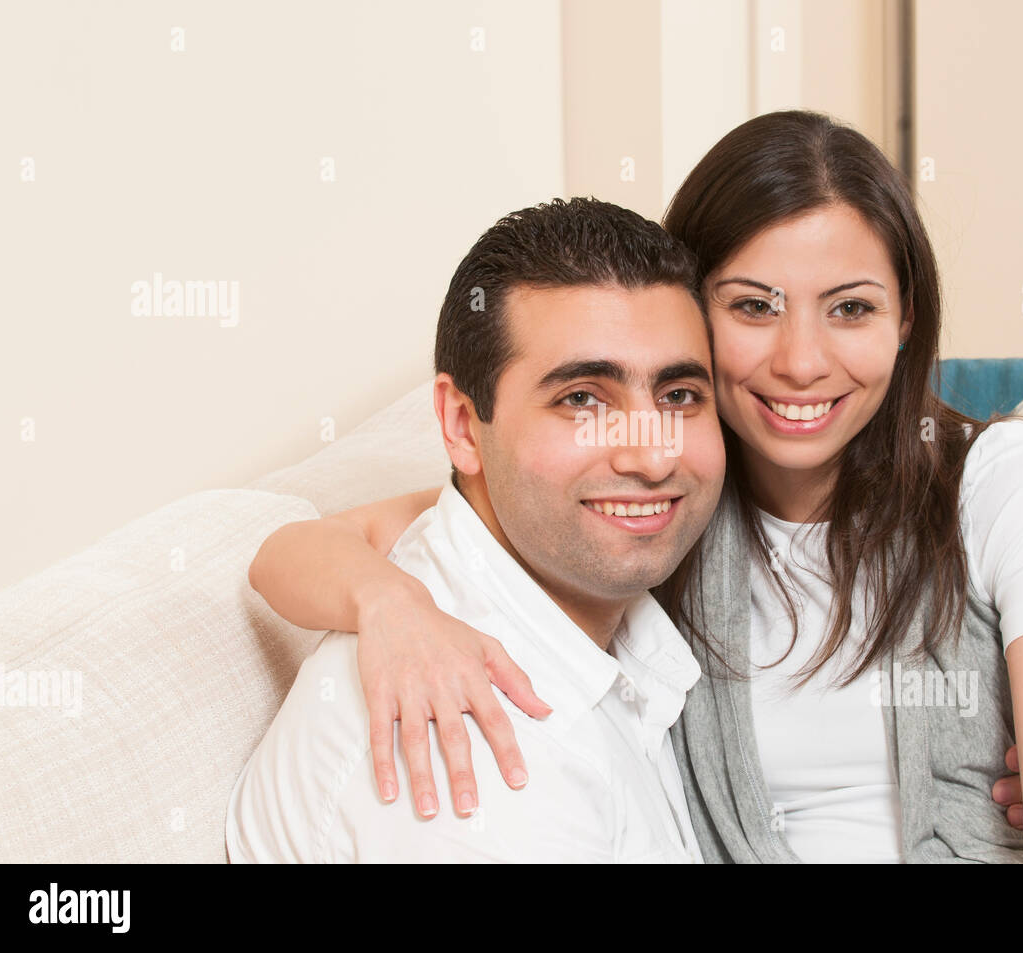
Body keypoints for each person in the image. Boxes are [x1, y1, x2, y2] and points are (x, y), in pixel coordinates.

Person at [247, 111, 1023, 862]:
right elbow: (303, 544)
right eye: (754, 306)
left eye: (850, 307)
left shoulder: (998, 483)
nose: (802, 361)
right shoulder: (660, 507)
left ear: (905, 317)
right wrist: (389, 606)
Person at [227, 198, 727, 861]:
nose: (653, 454)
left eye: (679, 396)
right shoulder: (475, 768)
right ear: (464, 427)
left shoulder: (560, 593)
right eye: (582, 398)